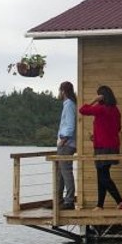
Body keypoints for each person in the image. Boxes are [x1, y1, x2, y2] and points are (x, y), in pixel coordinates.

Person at [79, 85, 122, 210]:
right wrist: (96, 136)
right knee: (102, 174)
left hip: (102, 147)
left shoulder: (100, 108)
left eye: (98, 95)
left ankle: (120, 201)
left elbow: (83, 110)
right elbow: (117, 129)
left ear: (101, 96)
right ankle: (100, 205)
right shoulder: (115, 110)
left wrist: (94, 100)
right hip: (112, 146)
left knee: (103, 176)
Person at [56, 81, 77, 210]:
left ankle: (69, 201)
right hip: (67, 143)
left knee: (66, 172)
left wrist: (63, 140)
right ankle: (59, 200)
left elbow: (70, 125)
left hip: (66, 144)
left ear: (63, 91)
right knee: (61, 173)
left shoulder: (69, 104)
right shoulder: (70, 104)